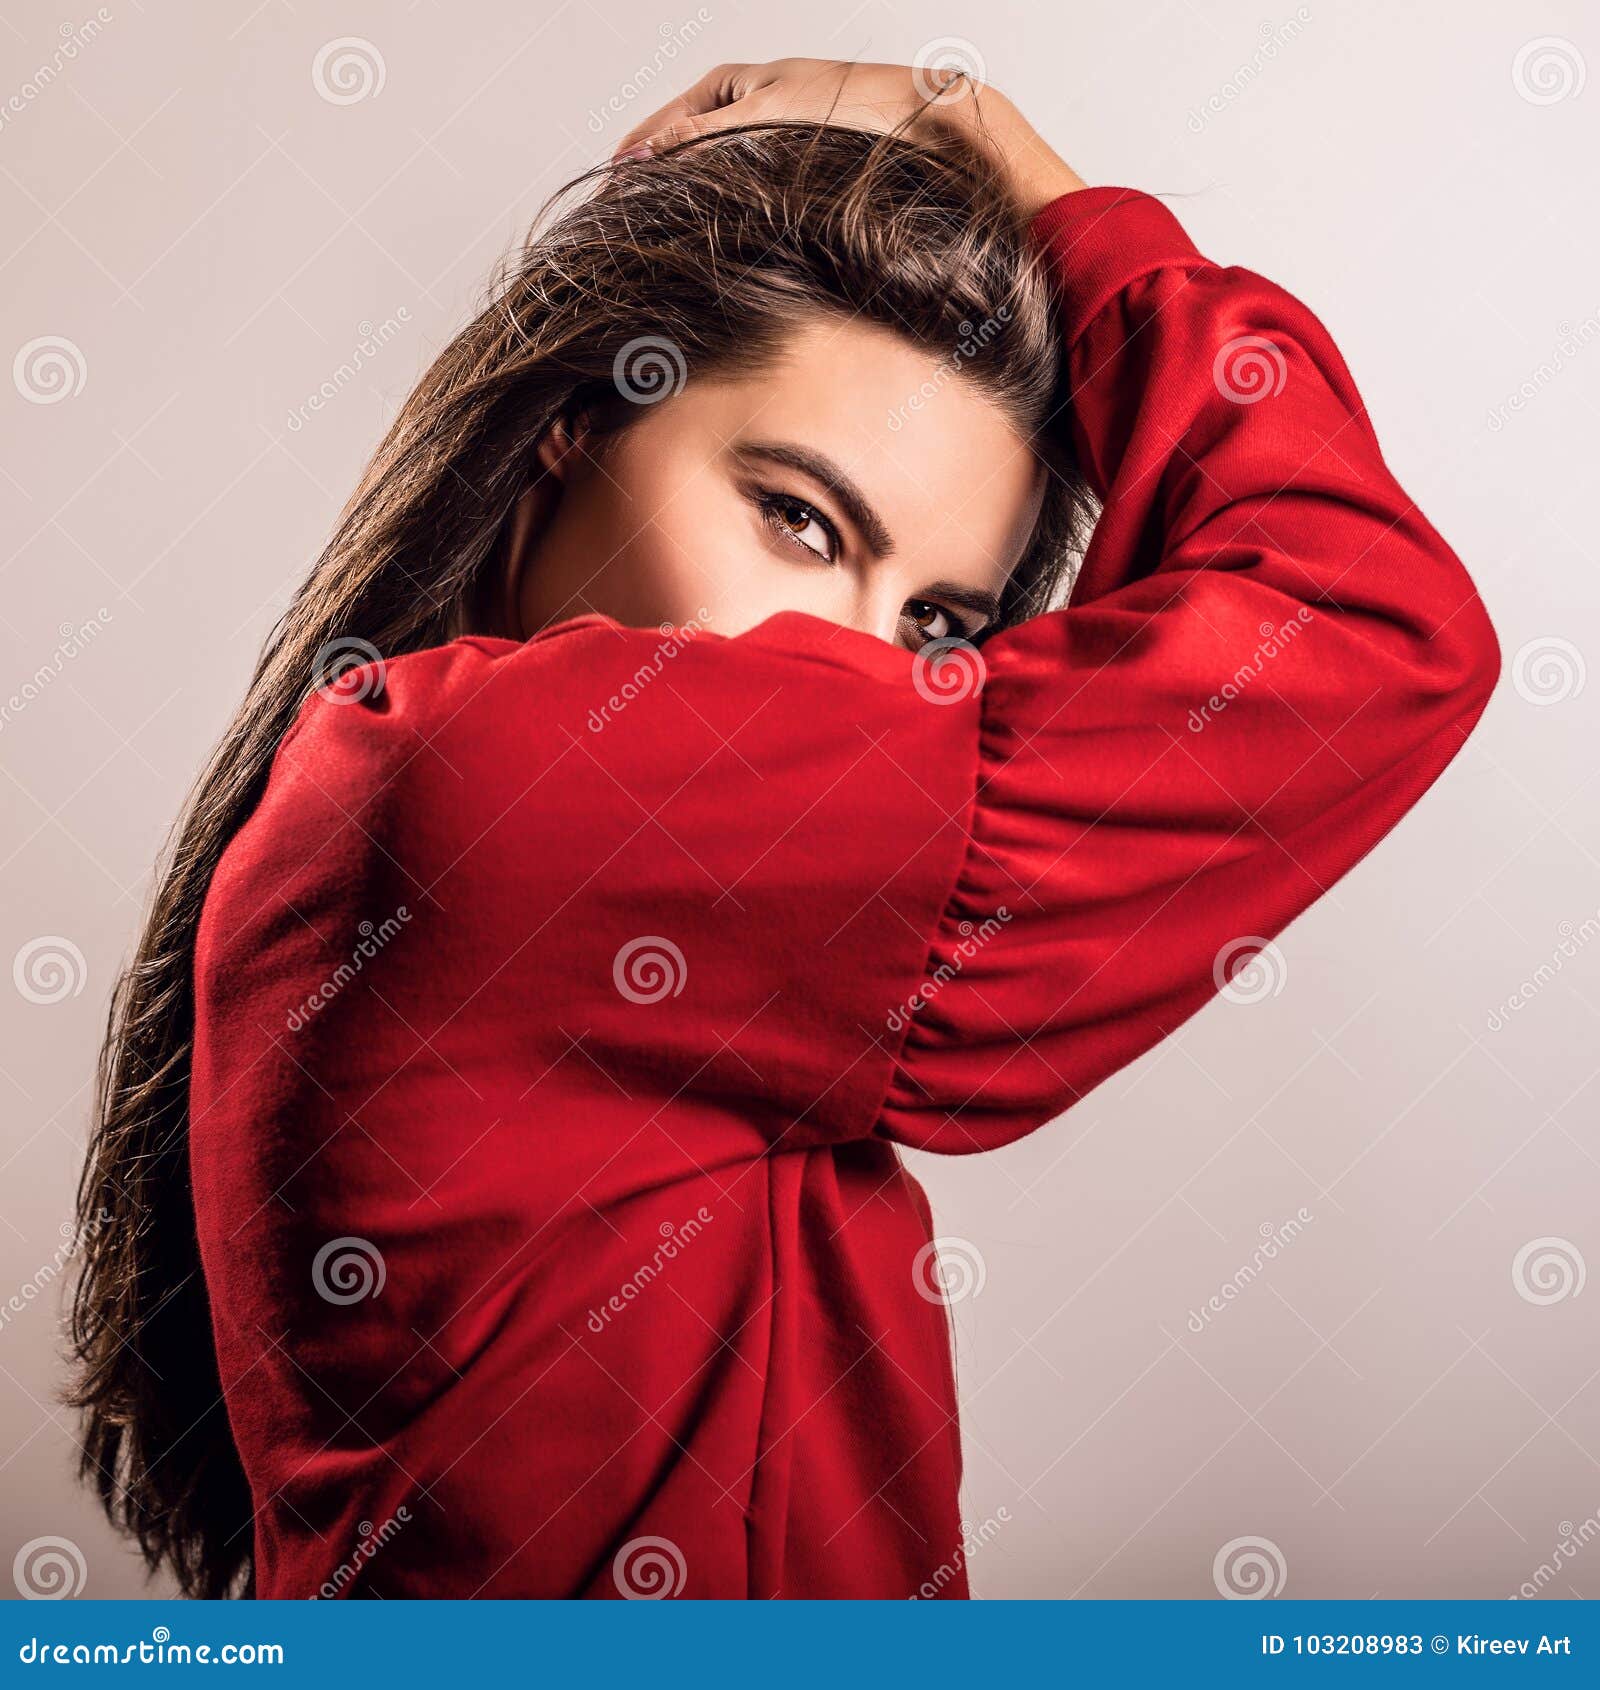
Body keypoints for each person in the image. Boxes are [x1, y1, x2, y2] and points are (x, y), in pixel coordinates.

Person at [72, 60, 1499, 1599]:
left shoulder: (389, 787)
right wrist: (1015, 160)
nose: (860, 660)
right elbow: (1364, 624)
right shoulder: (507, 780)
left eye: (937, 619)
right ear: (574, 425)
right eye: (799, 520)